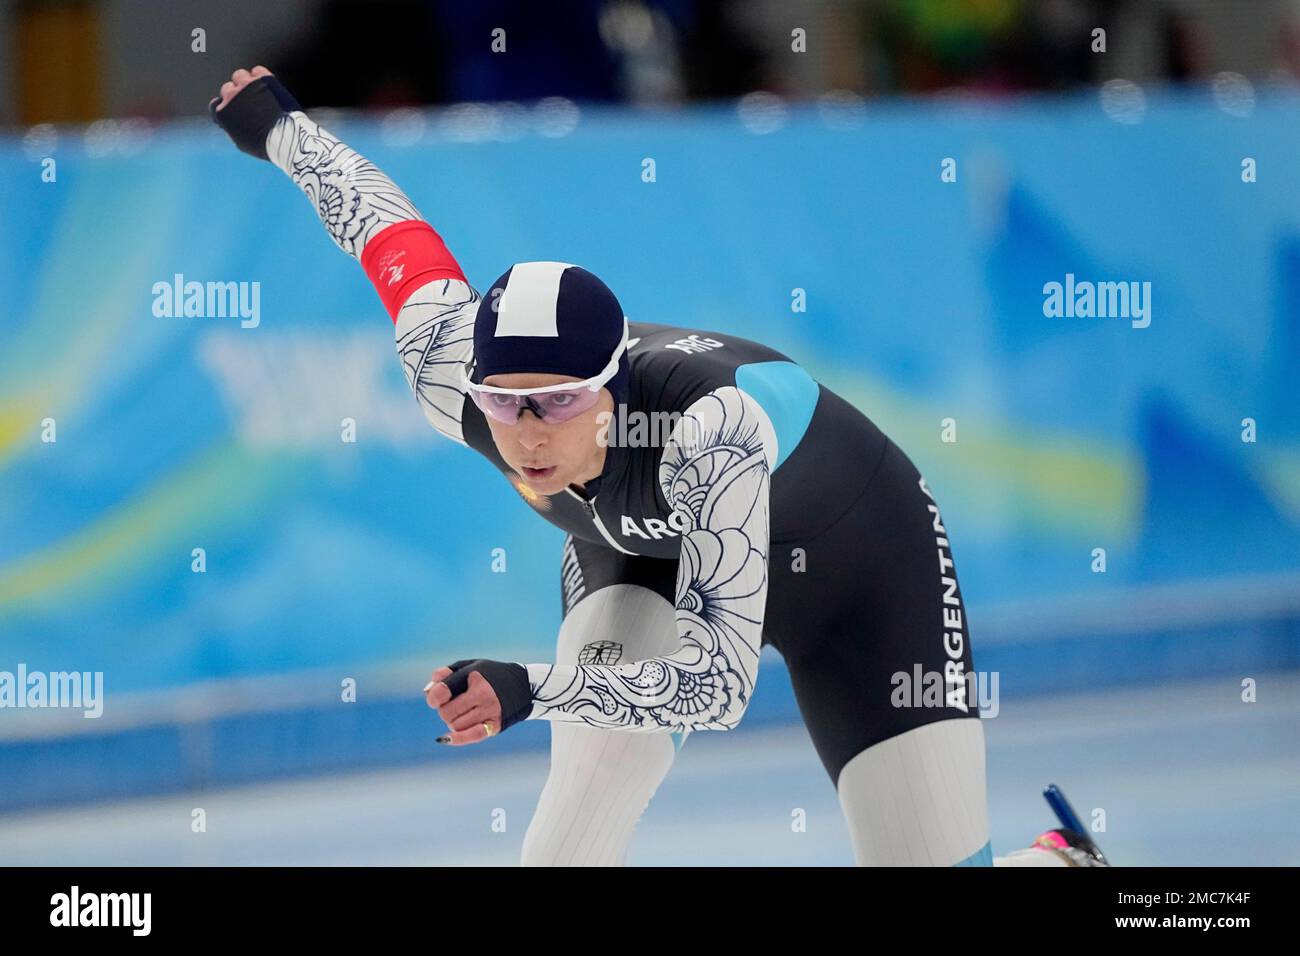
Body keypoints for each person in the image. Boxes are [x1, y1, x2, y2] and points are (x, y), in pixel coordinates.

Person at [210, 66, 1108, 867]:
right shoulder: (448, 376)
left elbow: (718, 688)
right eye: (502, 400)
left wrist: (531, 688)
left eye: (557, 401)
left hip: (862, 566)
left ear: (611, 386)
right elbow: (385, 231)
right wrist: (280, 127)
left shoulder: (707, 428)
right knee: (570, 834)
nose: (525, 432)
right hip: (643, 558)